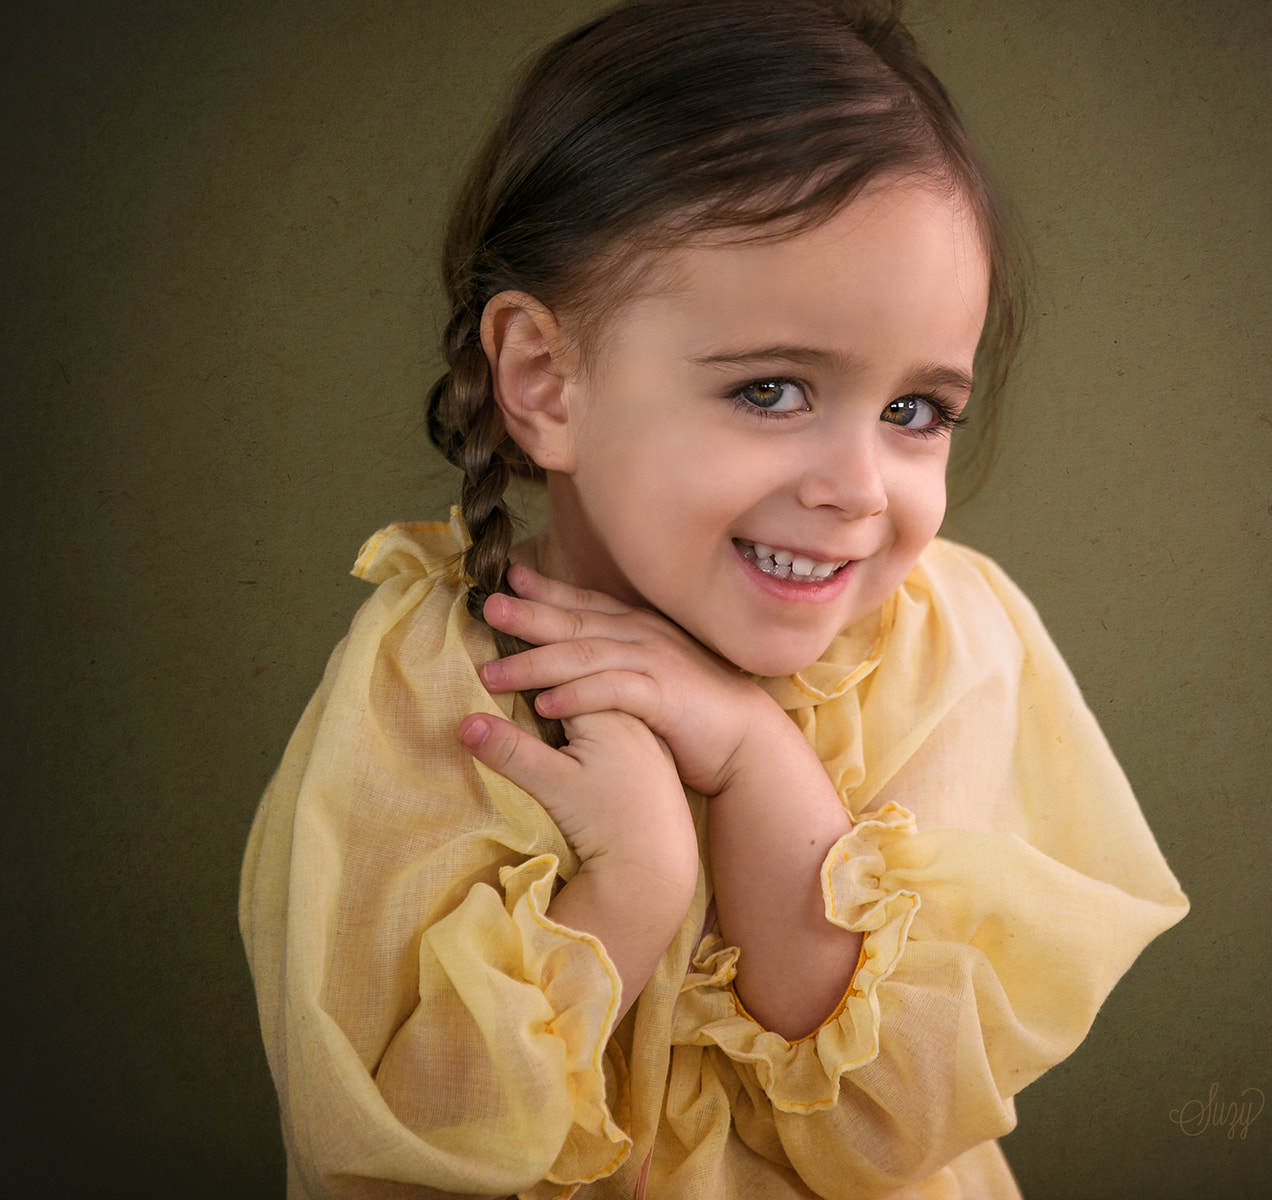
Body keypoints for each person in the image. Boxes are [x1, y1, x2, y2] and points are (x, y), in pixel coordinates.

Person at [239, 1, 1189, 1196]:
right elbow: (383, 1157)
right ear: (545, 381)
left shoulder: (946, 648)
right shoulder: (432, 686)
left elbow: (884, 1129)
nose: (856, 492)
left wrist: (755, 758)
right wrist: (628, 886)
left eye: (915, 412)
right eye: (774, 390)